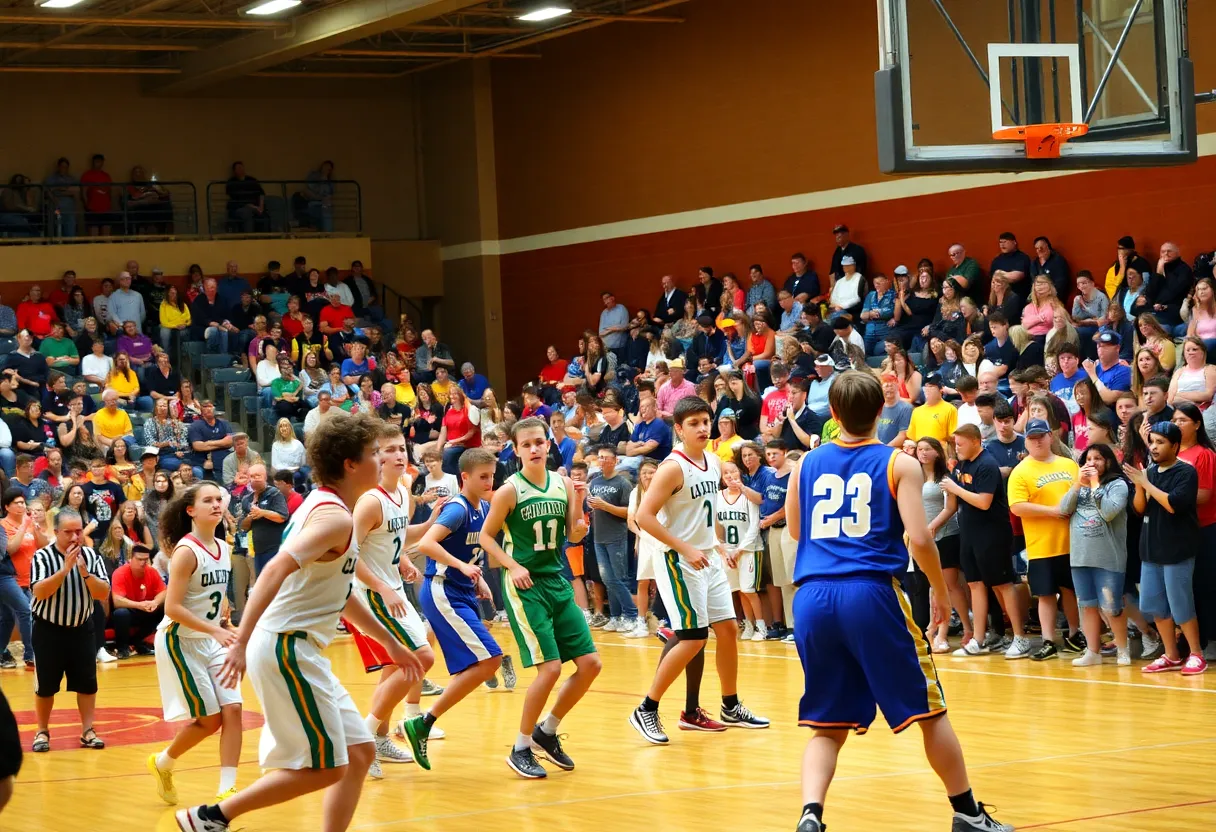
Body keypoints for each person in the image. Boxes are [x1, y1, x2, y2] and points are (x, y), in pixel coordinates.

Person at [784, 370, 1013, 832]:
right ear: (883, 413)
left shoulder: (806, 464)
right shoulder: (898, 463)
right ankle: (968, 814)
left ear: (833, 414)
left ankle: (810, 817)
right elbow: (920, 536)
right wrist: (940, 592)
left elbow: (794, 530)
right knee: (930, 710)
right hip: (870, 592)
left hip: (811, 597)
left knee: (827, 724)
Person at [176, 412, 425, 832]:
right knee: (327, 768)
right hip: (285, 646)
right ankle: (210, 818)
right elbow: (273, 571)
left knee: (361, 752)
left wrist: (392, 645)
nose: (380, 461)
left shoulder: (326, 505)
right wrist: (240, 641)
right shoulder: (337, 518)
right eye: (371, 454)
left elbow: (340, 594)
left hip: (297, 647)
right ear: (350, 464)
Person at [630, 397, 769, 745]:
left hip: (708, 556)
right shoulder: (672, 467)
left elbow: (704, 512)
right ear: (679, 429)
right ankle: (646, 707)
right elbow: (643, 517)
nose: (703, 427)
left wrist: (715, 545)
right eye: (693, 423)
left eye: (706, 421)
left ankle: (730, 705)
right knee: (693, 637)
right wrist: (685, 547)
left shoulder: (712, 460)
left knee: (727, 630)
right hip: (679, 559)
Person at [478, 417, 602, 779]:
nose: (534, 448)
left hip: (556, 580)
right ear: (516, 451)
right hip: (525, 586)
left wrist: (579, 510)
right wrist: (512, 566)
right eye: (526, 444)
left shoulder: (563, 484)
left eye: (539, 442)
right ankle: (519, 748)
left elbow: (574, 535)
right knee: (549, 668)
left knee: (591, 664)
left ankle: (545, 732)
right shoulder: (508, 490)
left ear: (549, 445)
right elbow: (488, 538)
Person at [347, 425, 441, 778]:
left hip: (391, 587)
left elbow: (395, 535)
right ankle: (364, 737)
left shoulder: (402, 490)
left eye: (402, 448)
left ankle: (381, 738)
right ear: (376, 457)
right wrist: (383, 587)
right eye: (390, 450)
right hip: (369, 592)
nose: (399, 455)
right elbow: (348, 554)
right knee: (421, 657)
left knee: (393, 668)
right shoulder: (370, 500)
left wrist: (425, 528)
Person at [406, 448, 508, 769]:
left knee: (483, 662)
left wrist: (476, 578)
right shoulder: (458, 509)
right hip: (442, 591)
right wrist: (461, 568)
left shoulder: (485, 507)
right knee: (490, 659)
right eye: (483, 476)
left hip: (462, 590)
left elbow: (471, 550)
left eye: (492, 475)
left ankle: (419, 720)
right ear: (464, 477)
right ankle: (420, 721)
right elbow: (427, 544)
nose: (489, 481)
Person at [146, 482, 242, 800]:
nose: (216, 504)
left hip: (210, 640)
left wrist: (225, 624)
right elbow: (172, 607)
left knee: (234, 709)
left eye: (219, 499)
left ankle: (227, 789)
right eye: (208, 500)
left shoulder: (224, 547)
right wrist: (214, 630)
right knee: (210, 720)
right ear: (191, 510)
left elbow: (215, 600)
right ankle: (163, 763)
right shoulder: (186, 552)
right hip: (180, 640)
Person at [942, 425, 1032, 659]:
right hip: (969, 535)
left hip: (993, 535)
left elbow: (983, 502)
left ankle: (1020, 638)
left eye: (960, 444)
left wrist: (955, 488)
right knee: (975, 585)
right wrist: (931, 526)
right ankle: (978, 639)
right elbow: (953, 505)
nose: (957, 448)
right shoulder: (961, 465)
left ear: (975, 441)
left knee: (1002, 584)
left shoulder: (987, 465)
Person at [1124, 421, 1205, 674]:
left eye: (1160, 443)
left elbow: (1173, 505)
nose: (1154, 447)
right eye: (1152, 442)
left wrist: (1145, 482)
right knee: (1157, 607)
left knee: (1181, 605)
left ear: (1176, 446)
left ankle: (1196, 654)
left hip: (1177, 550)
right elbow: (1138, 509)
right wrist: (1139, 485)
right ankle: (1170, 655)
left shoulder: (1186, 472)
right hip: (1150, 549)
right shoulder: (1149, 472)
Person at [29, 508, 112, 754]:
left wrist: (84, 573)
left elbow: (103, 593)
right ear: (56, 532)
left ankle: (87, 731)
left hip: (82, 629)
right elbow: (40, 592)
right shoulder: (42, 557)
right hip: (48, 630)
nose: (76, 537)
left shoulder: (90, 556)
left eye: (78, 531)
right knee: (45, 686)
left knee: (87, 683)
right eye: (69, 532)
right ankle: (42, 730)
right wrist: (65, 570)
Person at [1009, 419, 1084, 661]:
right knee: (1045, 594)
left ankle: (1074, 635)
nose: (1037, 440)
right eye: (1032, 437)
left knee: (1071, 590)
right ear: (1026, 441)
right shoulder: (1020, 471)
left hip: (1073, 542)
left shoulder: (1070, 465)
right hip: (1041, 545)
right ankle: (1049, 641)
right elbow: (1017, 507)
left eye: (1041, 435)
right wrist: (1052, 511)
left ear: (1051, 437)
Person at [1058, 443, 1131, 666]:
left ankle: (1122, 649)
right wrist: (1078, 485)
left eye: (1098, 458)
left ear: (1108, 462)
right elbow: (1063, 509)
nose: (1092, 463)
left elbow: (1108, 512)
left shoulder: (1118, 485)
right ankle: (1093, 652)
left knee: (1111, 606)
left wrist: (1095, 484)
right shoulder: (1079, 486)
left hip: (1108, 559)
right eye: (1088, 459)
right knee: (1087, 605)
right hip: (1080, 558)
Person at [716, 459, 766, 640]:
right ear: (722, 478)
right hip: (727, 551)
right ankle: (749, 625)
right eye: (726, 473)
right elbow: (714, 527)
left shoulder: (748, 496)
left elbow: (754, 527)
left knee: (749, 590)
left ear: (740, 473)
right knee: (739, 590)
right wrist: (722, 549)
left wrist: (739, 550)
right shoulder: (717, 497)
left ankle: (762, 627)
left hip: (748, 549)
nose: (730, 476)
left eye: (733, 472)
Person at [108, 545, 164, 659]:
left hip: (146, 608)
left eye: (146, 560)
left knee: (164, 609)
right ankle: (122, 647)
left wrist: (155, 602)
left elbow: (164, 591)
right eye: (139, 559)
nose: (143, 563)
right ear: (131, 558)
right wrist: (139, 605)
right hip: (129, 610)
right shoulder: (120, 573)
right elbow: (117, 601)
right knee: (121, 613)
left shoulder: (152, 571)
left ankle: (137, 642)